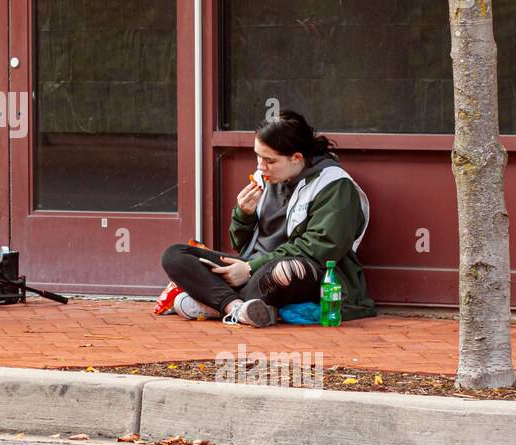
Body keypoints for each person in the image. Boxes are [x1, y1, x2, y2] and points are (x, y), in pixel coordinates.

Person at [160, 111, 375, 327]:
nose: (261, 166)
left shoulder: (334, 184)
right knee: (175, 255)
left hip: (299, 274)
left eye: (269, 160)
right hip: (253, 268)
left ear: (296, 158)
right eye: (257, 156)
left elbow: (320, 249)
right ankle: (235, 307)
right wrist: (244, 215)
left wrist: (251, 268)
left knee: (284, 271)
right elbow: (241, 245)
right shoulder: (267, 178)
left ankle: (214, 302)